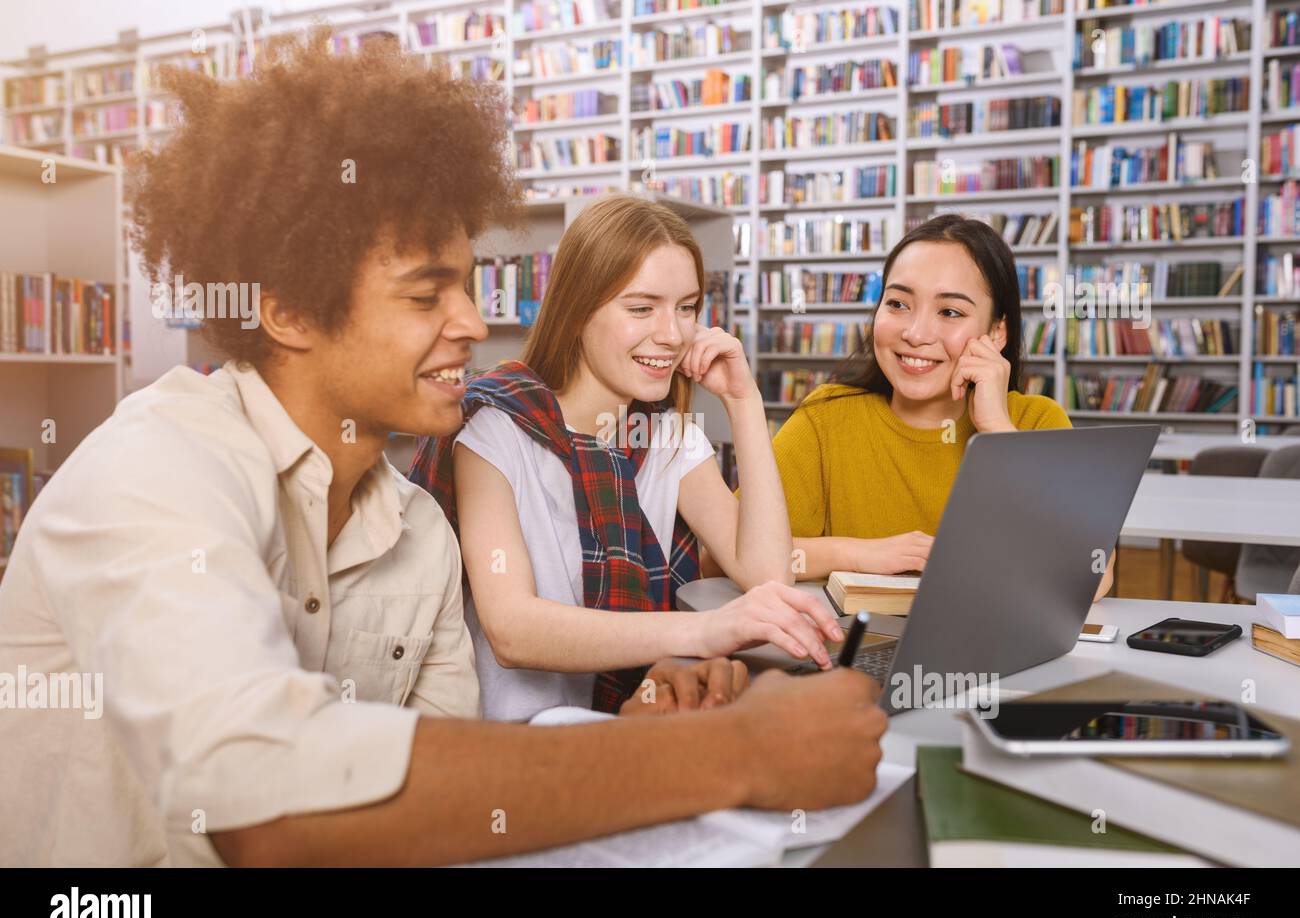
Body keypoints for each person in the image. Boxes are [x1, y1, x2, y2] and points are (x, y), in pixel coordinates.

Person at [0, 30, 886, 867]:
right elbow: (265, 808)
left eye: (467, 285)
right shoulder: (156, 471)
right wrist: (729, 755)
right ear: (289, 311)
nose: (472, 323)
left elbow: (444, 809)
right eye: (428, 296)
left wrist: (652, 724)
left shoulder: (419, 532)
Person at [410, 195, 842, 721]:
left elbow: (767, 572)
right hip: (515, 748)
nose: (672, 334)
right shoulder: (495, 427)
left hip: (623, 728)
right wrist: (708, 629)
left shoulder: (668, 438)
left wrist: (744, 402)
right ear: (577, 310)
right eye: (641, 308)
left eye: (687, 308)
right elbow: (513, 629)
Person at [761, 214, 1114, 596]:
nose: (915, 334)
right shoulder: (826, 417)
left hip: (992, 654)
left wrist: (999, 434)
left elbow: (1088, 576)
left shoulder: (1033, 422)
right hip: (848, 650)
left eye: (949, 312)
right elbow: (730, 555)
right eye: (897, 303)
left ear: (997, 333)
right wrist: (859, 555)